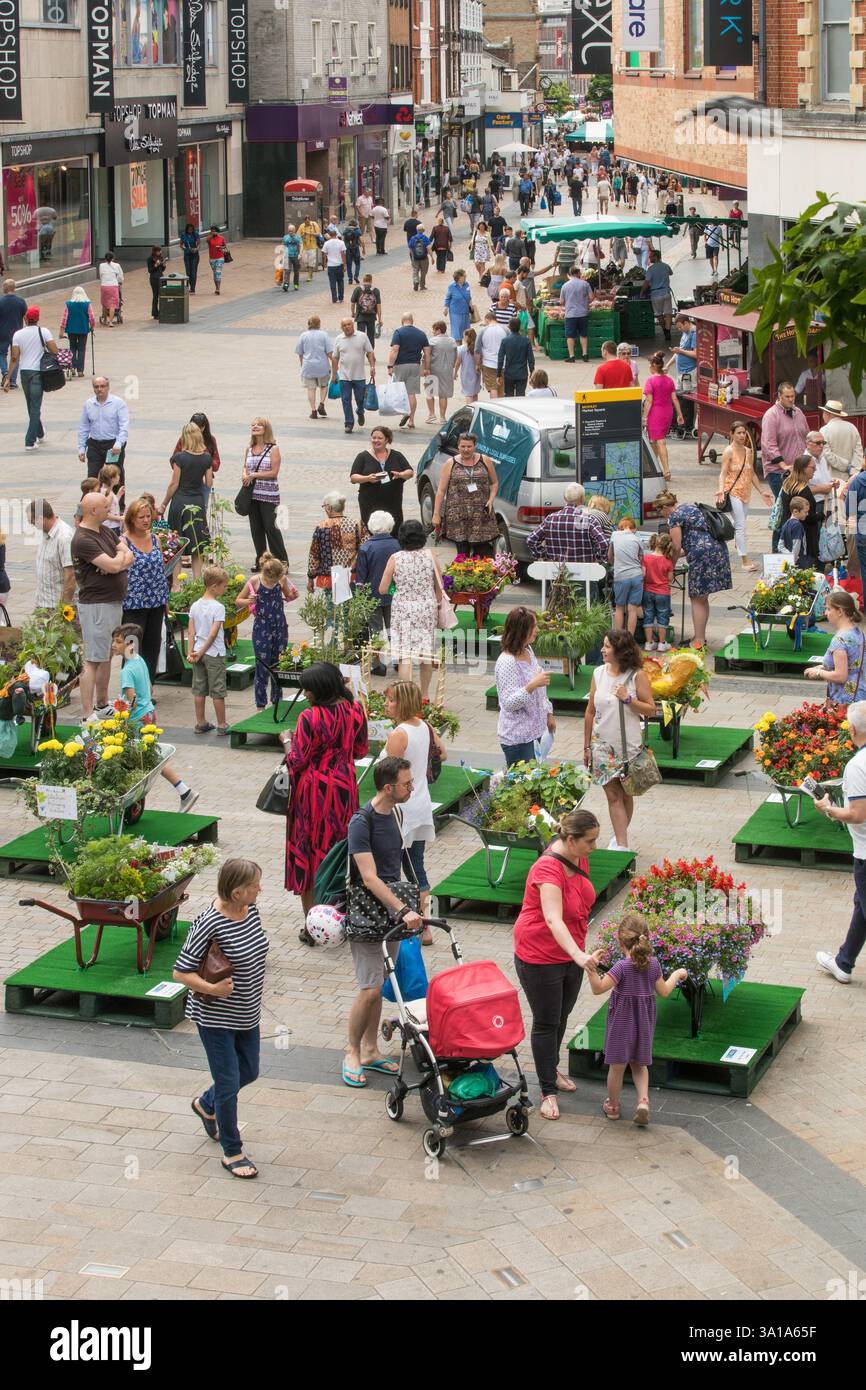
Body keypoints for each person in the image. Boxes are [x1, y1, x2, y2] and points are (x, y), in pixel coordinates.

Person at [172, 857, 269, 1180]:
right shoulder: (209, 922)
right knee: (229, 1081)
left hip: (247, 1013)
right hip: (215, 1017)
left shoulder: (250, 911)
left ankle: (205, 1103)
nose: (260, 889)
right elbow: (180, 971)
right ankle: (232, 1150)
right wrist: (213, 987)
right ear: (238, 891)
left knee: (249, 1071)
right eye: (255, 885)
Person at [513, 809, 601, 1121]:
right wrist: (578, 955)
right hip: (540, 955)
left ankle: (550, 1068)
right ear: (571, 839)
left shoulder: (580, 855)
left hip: (570, 954)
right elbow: (552, 917)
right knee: (546, 1021)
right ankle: (547, 1091)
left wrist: (577, 953)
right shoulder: (548, 869)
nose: (594, 846)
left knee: (561, 1016)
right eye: (589, 841)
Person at [343, 757, 422, 1086]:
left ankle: (372, 1050)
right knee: (369, 988)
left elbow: (397, 868)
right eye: (406, 783)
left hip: (389, 913)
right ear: (388, 788)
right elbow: (370, 878)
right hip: (368, 912)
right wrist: (403, 910)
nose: (411, 787)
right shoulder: (362, 822)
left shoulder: (398, 812)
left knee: (377, 988)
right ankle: (351, 1051)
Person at [281, 660, 368, 922]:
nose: (305, 694)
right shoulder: (355, 710)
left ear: (321, 688)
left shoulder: (310, 717)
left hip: (313, 795)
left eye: (308, 689)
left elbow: (296, 761)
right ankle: (339, 916)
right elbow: (361, 751)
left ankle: (313, 923)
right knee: (339, 852)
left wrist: (286, 740)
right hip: (345, 791)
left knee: (308, 854)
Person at [587, 912, 687, 1124]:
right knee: (640, 1065)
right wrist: (677, 974)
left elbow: (598, 989)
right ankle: (643, 1101)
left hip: (621, 1024)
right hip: (644, 1023)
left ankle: (613, 1106)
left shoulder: (621, 967)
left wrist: (591, 968)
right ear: (646, 937)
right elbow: (664, 992)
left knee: (617, 1066)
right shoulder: (653, 965)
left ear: (620, 941)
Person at [110, 623, 198, 810]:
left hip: (137, 720)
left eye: (118, 642)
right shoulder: (139, 660)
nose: (113, 645)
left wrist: (120, 716)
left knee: (148, 760)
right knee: (145, 759)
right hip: (149, 714)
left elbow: (131, 701)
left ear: (130, 644)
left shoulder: (126, 671)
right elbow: (149, 689)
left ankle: (184, 791)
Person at [585, 630, 656, 851]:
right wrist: (586, 746)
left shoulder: (637, 676)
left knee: (626, 793)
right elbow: (590, 712)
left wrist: (628, 699)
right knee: (613, 795)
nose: (602, 650)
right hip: (601, 746)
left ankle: (619, 836)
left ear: (620, 650)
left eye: (607, 646)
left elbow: (651, 710)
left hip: (628, 746)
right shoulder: (598, 673)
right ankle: (622, 844)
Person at [383, 680, 446, 927]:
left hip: (402, 809)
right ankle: (425, 925)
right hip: (420, 802)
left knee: (392, 867)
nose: (386, 704)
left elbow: (389, 776)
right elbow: (443, 753)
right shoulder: (425, 726)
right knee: (416, 867)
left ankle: (407, 919)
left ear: (402, 703)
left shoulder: (399, 734)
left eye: (390, 700)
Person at [814, 700, 866, 983]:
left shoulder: (858, 766)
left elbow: (858, 815)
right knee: (862, 903)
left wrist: (828, 810)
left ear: (853, 729)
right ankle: (844, 962)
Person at [70, 491, 133, 721]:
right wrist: (118, 561)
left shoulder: (104, 529)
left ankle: (102, 704)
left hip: (112, 601)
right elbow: (117, 563)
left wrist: (117, 560)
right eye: (106, 507)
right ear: (93, 510)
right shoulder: (83, 539)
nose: (111, 511)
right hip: (96, 605)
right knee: (93, 659)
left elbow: (128, 554)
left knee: (107, 654)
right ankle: (87, 715)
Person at [655, 489, 732, 648]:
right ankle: (700, 637)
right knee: (703, 598)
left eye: (660, 512)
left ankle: (698, 640)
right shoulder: (691, 507)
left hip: (702, 556)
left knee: (696, 599)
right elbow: (693, 541)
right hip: (717, 550)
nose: (662, 515)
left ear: (664, 508)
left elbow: (676, 547)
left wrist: (671, 566)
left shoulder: (674, 516)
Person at [379, 520, 443, 699]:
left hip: (403, 609)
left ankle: (407, 698)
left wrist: (396, 587)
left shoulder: (395, 558)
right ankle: (424, 695)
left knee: (404, 654)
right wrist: (434, 600)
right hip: (426, 607)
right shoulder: (431, 555)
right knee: (425, 652)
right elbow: (440, 586)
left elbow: (383, 589)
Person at [235, 552, 297, 711]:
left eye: (278, 580)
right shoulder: (255, 581)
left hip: (279, 625)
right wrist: (249, 600)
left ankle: (277, 701)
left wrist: (293, 595)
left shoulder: (281, 579)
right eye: (273, 580)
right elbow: (238, 601)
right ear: (265, 574)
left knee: (279, 663)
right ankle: (260, 705)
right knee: (262, 665)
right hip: (262, 626)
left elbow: (288, 596)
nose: (276, 582)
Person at [494, 606, 555, 766]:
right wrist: (532, 685)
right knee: (521, 788)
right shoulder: (507, 661)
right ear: (521, 630)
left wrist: (549, 713)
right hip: (518, 739)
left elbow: (540, 689)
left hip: (535, 732)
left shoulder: (528, 650)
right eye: (533, 627)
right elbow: (508, 703)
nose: (537, 630)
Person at [121, 496, 169, 680]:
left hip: (156, 601)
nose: (146, 520)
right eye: (141, 517)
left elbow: (161, 571)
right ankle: (130, 689)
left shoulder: (155, 539)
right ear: (132, 519)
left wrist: (166, 599)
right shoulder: (124, 542)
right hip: (134, 603)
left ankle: (147, 689)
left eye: (148, 516)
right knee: (132, 647)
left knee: (152, 646)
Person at [715, 420, 773, 573]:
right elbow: (723, 473)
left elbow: (752, 473)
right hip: (732, 491)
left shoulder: (748, 451)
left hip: (746, 492)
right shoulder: (728, 451)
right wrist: (721, 489)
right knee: (741, 525)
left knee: (739, 523)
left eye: (744, 433)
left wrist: (762, 491)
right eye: (739, 433)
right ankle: (744, 560)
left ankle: (725, 538)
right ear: (732, 434)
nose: (742, 436)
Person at [432, 432, 499, 557]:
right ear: (458, 447)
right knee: (462, 554)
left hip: (481, 514)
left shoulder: (485, 460)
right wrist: (436, 514)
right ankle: (462, 576)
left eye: (469, 446)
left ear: (475, 446)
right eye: (463, 446)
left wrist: (491, 499)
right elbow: (441, 491)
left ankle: (482, 576)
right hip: (458, 515)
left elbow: (494, 483)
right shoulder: (450, 463)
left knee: (483, 554)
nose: (466, 449)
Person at [161, 423, 213, 579]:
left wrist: (164, 503)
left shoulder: (180, 457)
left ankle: (176, 584)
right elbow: (209, 483)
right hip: (196, 501)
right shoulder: (206, 457)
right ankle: (197, 582)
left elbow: (174, 483)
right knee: (197, 544)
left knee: (177, 544)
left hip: (179, 501)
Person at [6, 306, 57, 451]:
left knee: (31, 405)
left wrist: (8, 377)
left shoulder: (18, 334)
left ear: (25, 319)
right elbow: (54, 350)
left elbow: (14, 357)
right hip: (37, 373)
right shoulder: (44, 332)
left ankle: (39, 431)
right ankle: (30, 440)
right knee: (35, 407)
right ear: (38, 318)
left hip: (24, 373)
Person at [356, 511, 400, 671]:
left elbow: (361, 576)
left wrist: (359, 597)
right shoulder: (397, 544)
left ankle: (377, 664)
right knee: (393, 628)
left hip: (371, 595)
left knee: (375, 630)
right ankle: (397, 660)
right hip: (392, 592)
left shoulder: (365, 547)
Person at [239, 417, 287, 564]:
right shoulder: (249, 449)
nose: (255, 426)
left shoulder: (273, 448)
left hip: (268, 495)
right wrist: (245, 475)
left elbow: (274, 472)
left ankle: (281, 560)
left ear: (266, 429)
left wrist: (254, 475)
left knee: (271, 528)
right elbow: (245, 467)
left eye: (259, 425)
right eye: (253, 424)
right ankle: (261, 560)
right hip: (251, 495)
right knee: (256, 530)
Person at [805, 589, 866, 704]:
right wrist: (822, 667)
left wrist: (819, 673)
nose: (825, 613)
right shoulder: (858, 632)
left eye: (828, 609)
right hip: (861, 695)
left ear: (840, 612)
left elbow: (841, 676)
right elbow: (852, 665)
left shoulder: (839, 641)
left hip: (845, 701)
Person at [189, 564, 229, 734]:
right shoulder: (218, 608)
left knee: (199, 688)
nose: (226, 588)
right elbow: (213, 635)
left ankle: (201, 722)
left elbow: (191, 631)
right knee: (217, 690)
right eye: (224, 585)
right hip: (214, 653)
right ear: (214, 586)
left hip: (197, 652)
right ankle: (222, 724)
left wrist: (191, 652)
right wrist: (203, 651)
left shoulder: (195, 605)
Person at [527, 482, 609, 564]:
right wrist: (598, 558)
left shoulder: (550, 519)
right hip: (585, 571)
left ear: (565, 498)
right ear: (582, 498)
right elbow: (603, 544)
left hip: (556, 571)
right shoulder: (589, 520)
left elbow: (531, 540)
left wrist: (544, 555)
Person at [349, 425, 412, 532]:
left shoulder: (396, 455)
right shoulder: (363, 456)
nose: (376, 440)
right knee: (371, 530)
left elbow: (410, 472)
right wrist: (367, 478)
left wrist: (400, 475)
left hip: (393, 502)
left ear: (387, 439)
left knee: (393, 530)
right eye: (374, 438)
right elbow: (353, 477)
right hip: (370, 502)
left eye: (379, 438)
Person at [77, 376, 130, 486]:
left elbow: (124, 426)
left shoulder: (118, 403)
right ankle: (91, 501)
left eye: (102, 386)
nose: (100, 389)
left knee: (114, 476)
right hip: (95, 444)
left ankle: (119, 502)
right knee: (92, 476)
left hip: (112, 445)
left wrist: (119, 444)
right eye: (96, 387)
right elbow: (84, 427)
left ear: (108, 387)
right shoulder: (89, 404)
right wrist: (82, 448)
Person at [307, 491, 364, 591]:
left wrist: (311, 577)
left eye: (324, 506)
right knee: (350, 605)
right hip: (351, 576)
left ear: (329, 507)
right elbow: (364, 547)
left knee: (331, 605)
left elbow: (314, 554)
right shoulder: (355, 524)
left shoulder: (321, 526)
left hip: (329, 578)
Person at [643, 351, 683, 483]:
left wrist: (644, 417)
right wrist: (679, 414)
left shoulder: (650, 381)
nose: (648, 367)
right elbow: (674, 398)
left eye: (649, 365)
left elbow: (649, 401)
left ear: (654, 366)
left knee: (659, 441)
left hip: (655, 413)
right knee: (655, 440)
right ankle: (652, 467)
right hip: (668, 412)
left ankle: (666, 470)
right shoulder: (669, 380)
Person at [332, 316, 376, 436]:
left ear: (353, 324)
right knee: (346, 400)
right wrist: (334, 374)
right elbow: (335, 357)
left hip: (359, 375)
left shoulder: (362, 336)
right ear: (341, 328)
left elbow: (370, 352)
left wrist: (372, 367)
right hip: (344, 376)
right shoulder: (338, 339)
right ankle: (349, 423)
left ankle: (360, 411)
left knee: (360, 399)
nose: (347, 327)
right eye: (344, 325)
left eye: (349, 324)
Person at [28, 499, 75, 609]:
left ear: (41, 519)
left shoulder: (64, 537)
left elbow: (71, 575)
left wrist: (63, 608)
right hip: (43, 603)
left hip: (56, 607)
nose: (32, 525)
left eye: (32, 521)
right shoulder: (45, 532)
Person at [388, 313, 431, 430]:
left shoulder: (398, 332)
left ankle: (404, 413)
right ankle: (411, 420)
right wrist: (426, 368)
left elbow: (394, 349)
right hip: (415, 365)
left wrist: (390, 366)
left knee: (400, 392)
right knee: (411, 394)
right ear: (412, 320)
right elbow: (427, 353)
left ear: (402, 321)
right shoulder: (421, 334)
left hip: (400, 365)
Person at [778, 455, 819, 565]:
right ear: (803, 469)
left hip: (787, 527)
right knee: (802, 562)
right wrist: (820, 516)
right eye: (812, 468)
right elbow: (807, 517)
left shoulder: (787, 484)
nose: (815, 470)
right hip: (803, 533)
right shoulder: (803, 490)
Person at [295, 315, 335, 420]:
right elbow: (330, 352)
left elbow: (300, 353)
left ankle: (313, 411)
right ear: (319, 323)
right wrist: (335, 364)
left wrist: (302, 364)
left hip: (308, 365)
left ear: (308, 323)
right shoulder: (324, 335)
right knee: (324, 385)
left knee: (311, 388)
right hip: (322, 365)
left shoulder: (303, 335)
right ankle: (321, 403)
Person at [609, 517, 644, 636]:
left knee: (619, 607)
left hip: (621, 576)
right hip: (636, 575)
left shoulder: (614, 535)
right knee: (632, 609)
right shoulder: (637, 539)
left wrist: (617, 564)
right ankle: (630, 639)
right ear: (633, 528)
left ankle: (618, 638)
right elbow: (640, 559)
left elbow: (610, 556)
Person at [641, 532, 675, 652]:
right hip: (663, 592)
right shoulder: (668, 561)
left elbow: (643, 575)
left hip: (648, 591)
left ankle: (649, 643)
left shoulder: (646, 558)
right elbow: (670, 578)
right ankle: (662, 643)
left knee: (648, 616)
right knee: (663, 617)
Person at [424, 321, 458, 424]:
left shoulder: (432, 341)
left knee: (430, 392)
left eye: (434, 329)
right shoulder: (452, 341)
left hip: (434, 368)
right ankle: (442, 417)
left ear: (438, 330)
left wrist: (426, 368)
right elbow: (456, 355)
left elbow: (428, 356)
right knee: (443, 395)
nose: (433, 332)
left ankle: (431, 414)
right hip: (447, 370)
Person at [821, 400, 864, 478]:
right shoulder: (852, 427)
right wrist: (854, 470)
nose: (822, 415)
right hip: (852, 477)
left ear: (828, 414)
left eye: (823, 412)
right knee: (852, 491)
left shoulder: (824, 430)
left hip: (834, 478)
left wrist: (847, 466)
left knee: (838, 491)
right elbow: (859, 451)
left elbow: (827, 454)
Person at [59, 287, 95, 377]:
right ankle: (80, 370)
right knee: (82, 349)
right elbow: (92, 317)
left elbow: (64, 319)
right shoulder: (87, 304)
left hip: (71, 329)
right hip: (83, 329)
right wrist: (92, 326)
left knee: (73, 347)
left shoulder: (68, 304)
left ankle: (72, 367)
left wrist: (61, 331)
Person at [641, 250, 674, 342]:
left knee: (659, 314)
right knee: (668, 314)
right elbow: (671, 273)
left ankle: (664, 330)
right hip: (666, 292)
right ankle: (668, 330)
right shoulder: (666, 266)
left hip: (656, 294)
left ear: (656, 257)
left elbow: (646, 282)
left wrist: (642, 292)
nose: (649, 258)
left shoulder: (651, 269)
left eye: (651, 256)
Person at [560, 266, 591, 364]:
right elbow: (592, 296)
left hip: (570, 314)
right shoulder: (585, 284)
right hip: (583, 313)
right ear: (578, 273)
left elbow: (561, 301)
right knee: (583, 335)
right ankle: (585, 355)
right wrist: (586, 303)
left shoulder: (565, 285)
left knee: (570, 336)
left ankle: (572, 356)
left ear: (570, 274)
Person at [473, 309, 507, 399]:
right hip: (503, 362)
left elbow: (477, 350)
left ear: (487, 319)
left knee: (493, 387)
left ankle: (494, 407)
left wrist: (477, 364)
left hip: (489, 363)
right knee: (501, 388)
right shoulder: (505, 329)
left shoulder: (483, 331)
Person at [496, 317, 534, 398]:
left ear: (509, 327)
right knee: (520, 396)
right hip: (522, 373)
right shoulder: (526, 340)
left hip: (509, 373)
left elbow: (500, 359)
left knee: (509, 397)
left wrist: (498, 374)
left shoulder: (505, 341)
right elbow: (530, 358)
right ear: (519, 326)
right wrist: (532, 371)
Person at [0, 277, 26, 388]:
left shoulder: (0, 301)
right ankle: (13, 381)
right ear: (14, 288)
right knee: (15, 356)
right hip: (18, 332)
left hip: (2, 332)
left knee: (1, 353)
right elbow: (26, 317)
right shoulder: (21, 301)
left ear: (4, 289)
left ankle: (5, 372)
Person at [350, 273, 382, 348]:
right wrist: (380, 318)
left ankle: (361, 351)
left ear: (363, 280)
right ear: (371, 281)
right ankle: (370, 353)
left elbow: (352, 303)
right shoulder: (376, 290)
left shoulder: (358, 289)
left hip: (360, 316)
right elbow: (379, 306)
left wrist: (353, 313)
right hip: (371, 317)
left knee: (360, 336)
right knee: (371, 336)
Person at [777, 496, 811, 566]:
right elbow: (796, 545)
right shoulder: (797, 525)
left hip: (788, 560)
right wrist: (793, 558)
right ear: (795, 511)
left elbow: (780, 546)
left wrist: (789, 555)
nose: (807, 514)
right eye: (805, 512)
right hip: (798, 561)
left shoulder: (786, 524)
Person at [444, 268, 472, 344]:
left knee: (466, 331)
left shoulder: (467, 284)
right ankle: (458, 348)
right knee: (457, 332)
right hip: (455, 312)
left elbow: (469, 297)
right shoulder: (452, 286)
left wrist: (471, 308)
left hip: (465, 311)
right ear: (459, 277)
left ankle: (466, 348)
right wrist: (445, 307)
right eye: (464, 276)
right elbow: (448, 297)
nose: (465, 277)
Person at [322, 228, 347, 304]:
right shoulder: (341, 243)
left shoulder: (326, 243)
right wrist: (344, 265)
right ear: (336, 235)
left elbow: (324, 255)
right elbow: (343, 254)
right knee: (340, 282)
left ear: (330, 235)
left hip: (331, 265)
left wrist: (325, 264)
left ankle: (334, 298)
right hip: (339, 264)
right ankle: (341, 297)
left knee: (332, 282)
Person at [97, 252, 123, 326]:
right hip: (113, 286)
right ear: (113, 258)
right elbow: (120, 277)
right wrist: (119, 281)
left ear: (105, 258)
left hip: (104, 286)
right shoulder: (117, 265)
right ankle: (110, 322)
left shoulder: (101, 265)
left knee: (104, 304)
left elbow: (101, 275)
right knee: (112, 305)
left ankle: (105, 320)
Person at [456, 327, 481, 403]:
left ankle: (470, 410)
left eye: (464, 336)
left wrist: (455, 372)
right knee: (475, 393)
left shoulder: (461, 349)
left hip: (466, 374)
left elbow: (458, 362)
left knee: (468, 394)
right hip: (476, 373)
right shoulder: (478, 348)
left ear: (467, 337)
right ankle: (475, 408)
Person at [298, 214, 322, 280]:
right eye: (306, 222)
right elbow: (298, 236)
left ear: (310, 220)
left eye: (308, 221)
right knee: (305, 261)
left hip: (313, 246)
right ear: (304, 221)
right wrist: (303, 235)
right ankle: (310, 273)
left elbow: (318, 234)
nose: (307, 223)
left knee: (311, 261)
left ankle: (309, 275)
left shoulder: (314, 224)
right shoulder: (301, 226)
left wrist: (309, 233)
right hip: (304, 246)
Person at [205, 225, 227, 294]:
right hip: (212, 258)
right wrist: (211, 235)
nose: (213, 232)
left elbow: (225, 247)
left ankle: (218, 289)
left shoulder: (221, 238)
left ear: (217, 231)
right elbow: (207, 240)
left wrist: (221, 247)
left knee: (218, 272)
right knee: (215, 273)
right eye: (212, 231)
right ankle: (216, 287)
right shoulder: (209, 238)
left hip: (220, 257)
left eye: (214, 231)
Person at [146, 245, 166, 320]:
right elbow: (150, 270)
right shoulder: (150, 259)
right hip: (154, 278)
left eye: (160, 251)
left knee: (162, 295)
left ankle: (162, 311)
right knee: (156, 295)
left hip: (161, 277)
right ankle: (155, 313)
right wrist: (156, 265)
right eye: (158, 251)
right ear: (155, 251)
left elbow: (162, 269)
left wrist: (163, 265)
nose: (160, 252)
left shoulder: (161, 258)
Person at [342, 218, 363, 286]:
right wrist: (363, 247)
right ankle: (356, 275)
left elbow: (343, 239)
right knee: (357, 263)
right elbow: (360, 239)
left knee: (349, 265)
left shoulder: (346, 230)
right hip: (355, 248)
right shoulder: (357, 230)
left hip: (348, 249)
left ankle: (350, 279)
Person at [180, 222, 200, 293]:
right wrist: (185, 248)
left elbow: (198, 244)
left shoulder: (196, 234)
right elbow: (181, 245)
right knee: (188, 272)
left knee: (193, 271)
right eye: (189, 229)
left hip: (194, 255)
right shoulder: (183, 235)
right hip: (187, 254)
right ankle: (189, 286)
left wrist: (196, 249)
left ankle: (193, 288)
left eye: (191, 229)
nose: (190, 231)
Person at [281, 224, 301, 291]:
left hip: (296, 256)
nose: (290, 232)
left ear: (294, 230)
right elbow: (283, 246)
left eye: (292, 231)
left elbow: (301, 245)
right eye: (289, 231)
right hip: (288, 256)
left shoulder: (298, 237)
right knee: (287, 270)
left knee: (296, 271)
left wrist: (300, 254)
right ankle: (286, 284)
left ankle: (296, 284)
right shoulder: (285, 237)